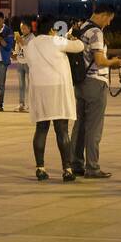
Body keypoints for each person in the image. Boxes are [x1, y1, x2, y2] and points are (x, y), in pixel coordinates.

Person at [23, 21, 84, 181]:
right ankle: (67, 170)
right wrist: (71, 37)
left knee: (41, 128)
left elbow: (29, 62)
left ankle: (40, 168)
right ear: (51, 29)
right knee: (62, 129)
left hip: (40, 89)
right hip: (58, 88)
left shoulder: (31, 44)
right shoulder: (56, 40)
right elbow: (79, 46)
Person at [70, 2, 121, 178]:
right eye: (109, 19)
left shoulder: (80, 28)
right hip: (95, 83)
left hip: (80, 82)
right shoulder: (96, 32)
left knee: (79, 125)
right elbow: (100, 61)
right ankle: (92, 167)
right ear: (104, 15)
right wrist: (113, 63)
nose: (108, 23)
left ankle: (75, 163)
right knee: (94, 127)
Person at [12, 20, 34, 112]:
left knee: (30, 85)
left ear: (29, 28)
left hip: (28, 63)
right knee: (21, 85)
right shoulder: (20, 37)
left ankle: (30, 104)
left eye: (24, 28)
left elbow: (29, 49)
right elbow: (17, 50)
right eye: (21, 28)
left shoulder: (32, 38)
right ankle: (21, 104)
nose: (22, 30)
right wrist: (14, 54)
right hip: (20, 62)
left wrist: (20, 42)